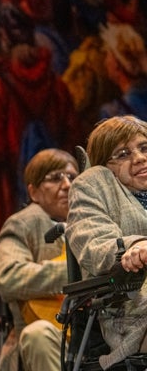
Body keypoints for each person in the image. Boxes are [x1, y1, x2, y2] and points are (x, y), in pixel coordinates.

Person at [67, 115, 147, 369]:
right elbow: (94, 244)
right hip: (132, 311)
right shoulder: (95, 183)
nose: (139, 157)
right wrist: (136, 246)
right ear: (105, 164)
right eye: (122, 153)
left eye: (144, 148)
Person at [0, 148, 78, 371]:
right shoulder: (22, 224)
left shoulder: (92, 222)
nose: (67, 185)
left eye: (72, 177)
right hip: (45, 341)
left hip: (95, 335)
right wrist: (75, 273)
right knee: (38, 334)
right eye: (55, 178)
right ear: (34, 192)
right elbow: (8, 277)